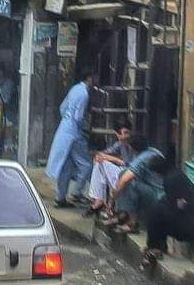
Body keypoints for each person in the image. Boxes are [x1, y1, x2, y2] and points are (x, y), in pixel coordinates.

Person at [141, 160, 194, 267]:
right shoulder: (175, 174)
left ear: (157, 172)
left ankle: (155, 247)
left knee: (156, 214)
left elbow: (179, 206)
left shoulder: (171, 180)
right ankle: (157, 246)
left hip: (193, 230)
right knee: (158, 210)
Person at [45, 70, 94, 208]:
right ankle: (77, 193)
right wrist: (86, 126)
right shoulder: (84, 93)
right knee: (86, 165)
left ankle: (60, 198)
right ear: (89, 78)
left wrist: (67, 118)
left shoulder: (74, 89)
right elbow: (78, 117)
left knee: (66, 166)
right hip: (74, 133)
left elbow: (62, 108)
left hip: (64, 129)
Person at [109, 135, 165, 233]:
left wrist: (112, 200)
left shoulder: (142, 158)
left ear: (132, 148)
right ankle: (123, 214)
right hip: (154, 189)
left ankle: (132, 223)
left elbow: (125, 180)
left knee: (128, 182)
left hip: (158, 195)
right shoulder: (152, 151)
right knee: (124, 173)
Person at [84, 120, 133, 215]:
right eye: (120, 133)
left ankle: (101, 201)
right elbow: (107, 151)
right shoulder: (120, 143)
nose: (123, 136)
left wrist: (113, 159)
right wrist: (99, 155)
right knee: (99, 162)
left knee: (103, 162)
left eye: (126, 133)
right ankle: (98, 200)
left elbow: (132, 166)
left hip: (131, 175)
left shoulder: (134, 143)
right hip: (122, 172)